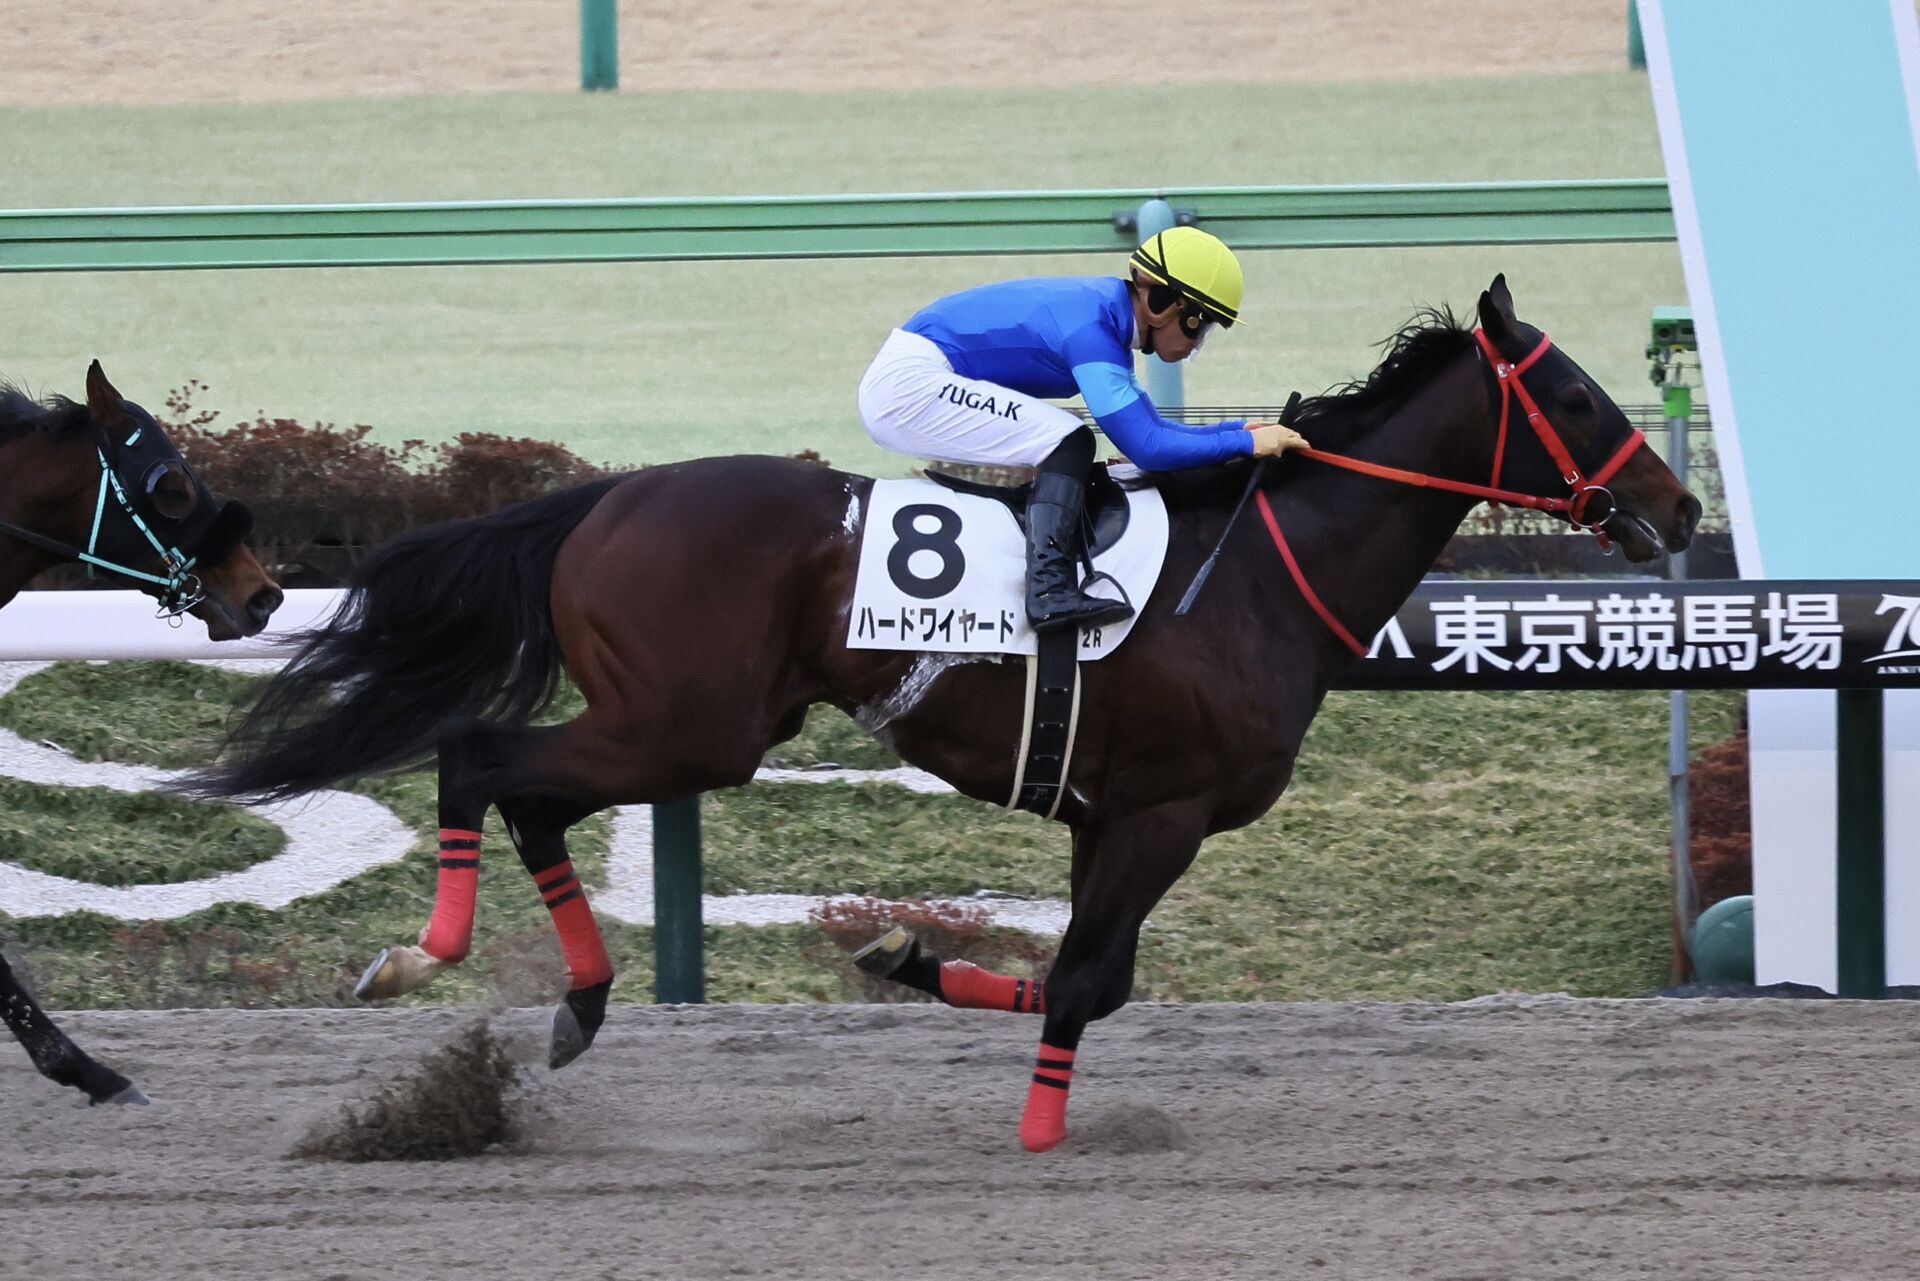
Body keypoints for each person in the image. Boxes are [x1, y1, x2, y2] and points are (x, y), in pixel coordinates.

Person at [858, 226, 1307, 634]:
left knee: (1066, 437)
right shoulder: (1092, 331)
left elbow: (1150, 429)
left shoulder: (1106, 321)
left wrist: (1237, 431)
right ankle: (1048, 591)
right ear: (1165, 305)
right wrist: (1245, 442)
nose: (1199, 342)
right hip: (909, 386)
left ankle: (1045, 576)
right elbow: (1149, 449)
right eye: (1203, 324)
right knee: (1070, 439)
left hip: (916, 376)